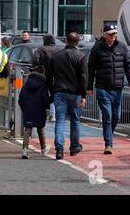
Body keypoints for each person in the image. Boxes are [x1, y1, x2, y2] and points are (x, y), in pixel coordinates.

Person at [87, 24, 130, 155]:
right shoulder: (97, 48)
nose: (113, 37)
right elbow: (90, 68)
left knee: (116, 116)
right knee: (107, 115)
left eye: (114, 34)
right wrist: (89, 87)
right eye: (110, 34)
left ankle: (109, 133)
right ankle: (108, 144)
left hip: (118, 88)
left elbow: (128, 66)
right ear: (104, 34)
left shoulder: (122, 47)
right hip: (102, 87)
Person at [47, 32, 87, 160]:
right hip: (75, 94)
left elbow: (49, 76)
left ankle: (59, 148)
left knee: (60, 120)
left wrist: (52, 91)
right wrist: (83, 94)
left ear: (66, 41)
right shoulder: (81, 56)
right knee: (75, 121)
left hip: (60, 92)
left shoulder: (56, 56)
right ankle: (74, 147)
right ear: (77, 42)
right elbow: (83, 77)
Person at [18, 65, 51, 159]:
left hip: (28, 110)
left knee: (27, 130)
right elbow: (45, 100)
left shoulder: (26, 84)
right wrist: (51, 100)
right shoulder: (43, 85)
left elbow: (20, 99)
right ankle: (43, 149)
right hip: (39, 110)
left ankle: (25, 150)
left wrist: (24, 108)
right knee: (40, 130)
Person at [32, 34, 60, 122]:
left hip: (43, 76)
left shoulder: (39, 50)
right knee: (53, 95)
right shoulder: (58, 50)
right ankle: (53, 115)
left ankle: (39, 113)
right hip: (56, 76)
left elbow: (34, 61)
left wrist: (39, 70)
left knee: (41, 95)